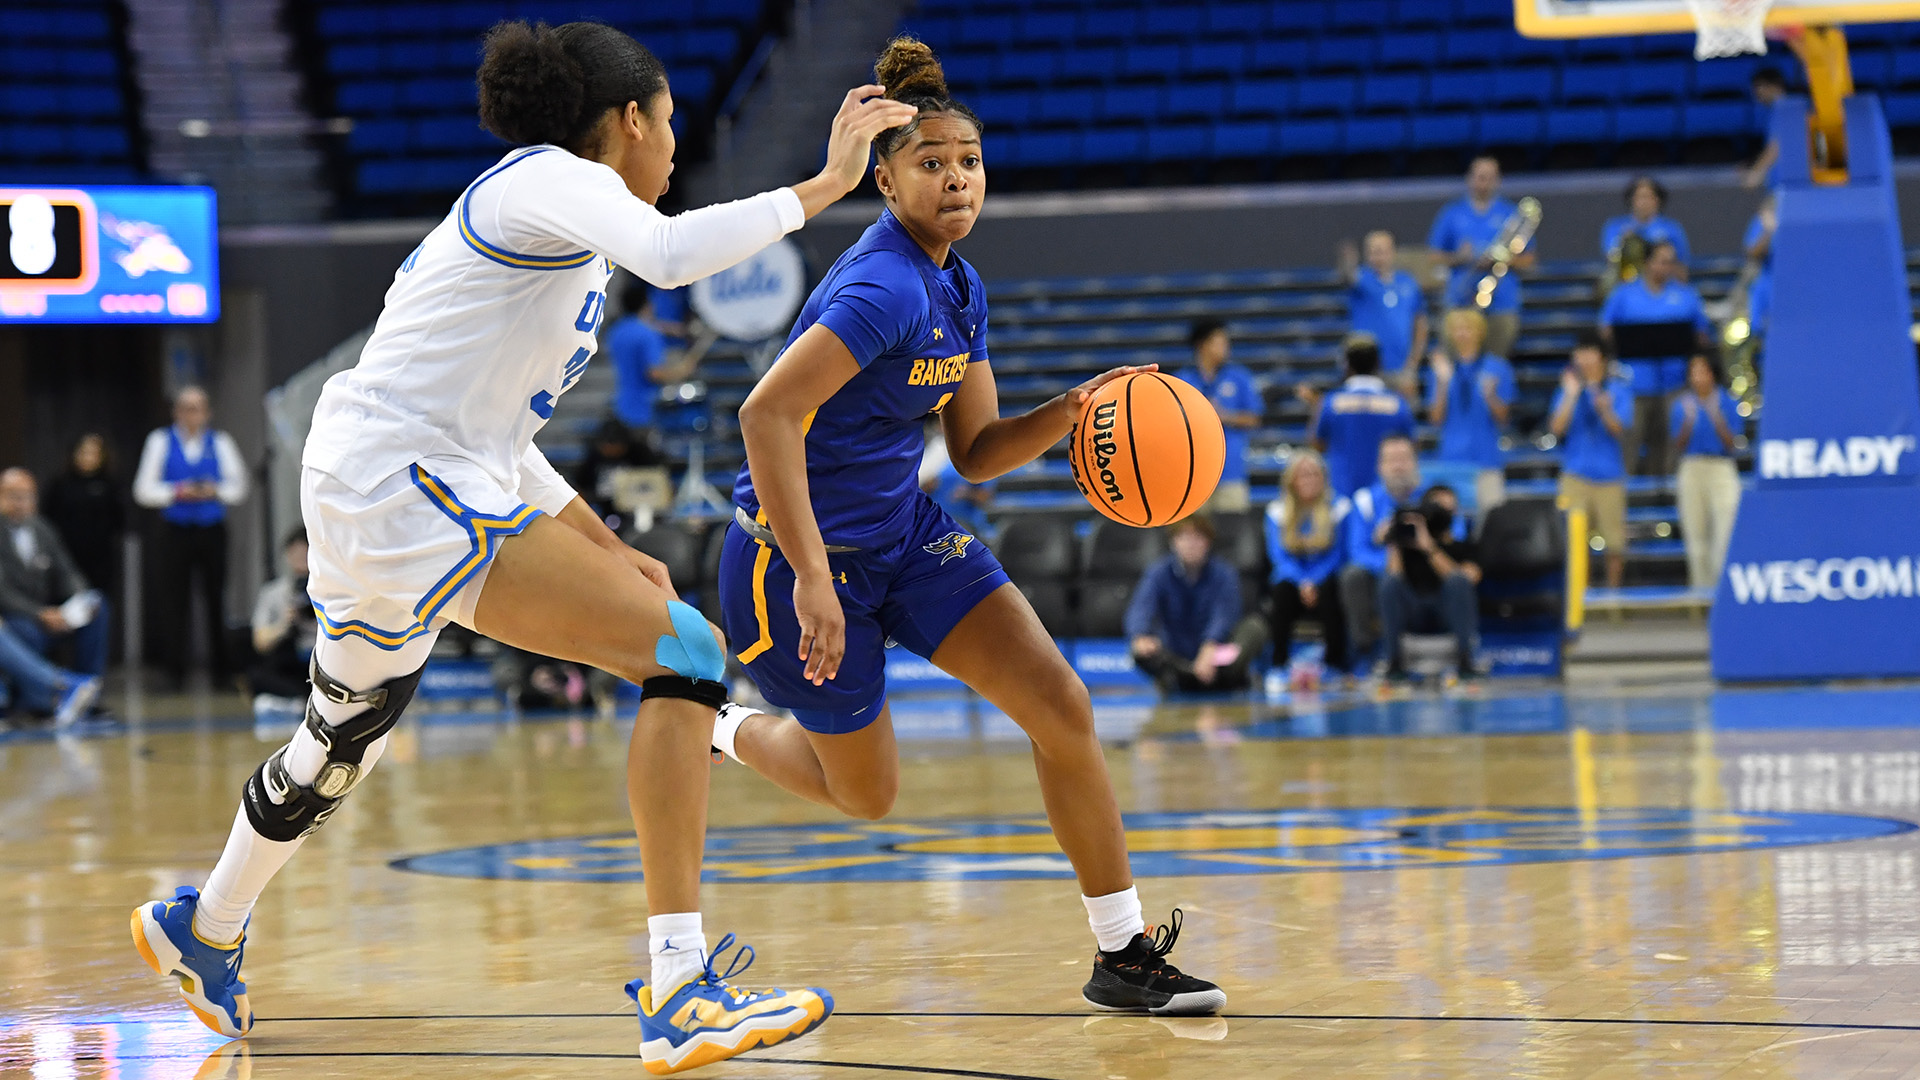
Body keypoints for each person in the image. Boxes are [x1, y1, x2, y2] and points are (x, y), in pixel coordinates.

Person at [130, 19, 920, 1075]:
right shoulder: (545, 179)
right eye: (672, 123)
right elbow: (679, 255)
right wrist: (827, 181)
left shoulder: (561, 231)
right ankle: (682, 990)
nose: (677, 147)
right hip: (400, 481)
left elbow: (506, 440)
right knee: (682, 649)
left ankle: (207, 927)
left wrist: (601, 542)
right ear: (627, 122)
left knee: (338, 741)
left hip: (386, 480)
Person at [711, 36, 1224, 1022]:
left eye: (969, 160)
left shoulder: (958, 285)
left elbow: (979, 448)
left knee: (1061, 706)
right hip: (790, 564)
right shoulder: (884, 288)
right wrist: (815, 579)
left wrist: (1072, 410)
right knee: (865, 796)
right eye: (930, 162)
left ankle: (1121, 955)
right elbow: (765, 417)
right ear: (887, 177)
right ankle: (718, 726)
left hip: (903, 536)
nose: (955, 178)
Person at [133, 386, 249, 687]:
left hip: (211, 530)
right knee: (174, 600)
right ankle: (174, 672)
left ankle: (222, 672)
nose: (191, 414)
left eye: (198, 407)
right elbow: (143, 489)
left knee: (215, 597)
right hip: (174, 531)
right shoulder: (159, 441)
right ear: (176, 412)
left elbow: (239, 487)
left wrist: (214, 490)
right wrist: (177, 492)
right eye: (186, 407)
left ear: (207, 412)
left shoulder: (220, 442)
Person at [1597, 241, 1712, 476]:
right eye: (1661, 261)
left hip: (1674, 384)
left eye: (1671, 262)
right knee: (1629, 441)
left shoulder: (1685, 295)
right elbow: (1604, 329)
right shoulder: (1624, 294)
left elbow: (1702, 335)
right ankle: (1625, 492)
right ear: (1647, 263)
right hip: (1633, 385)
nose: (1666, 267)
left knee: (1670, 444)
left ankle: (1667, 495)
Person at [0, 468, 104, 723]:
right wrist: (40, 614)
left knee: (97, 605)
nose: (20, 503)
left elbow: (67, 571)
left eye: (27, 496)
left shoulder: (43, 529)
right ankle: (58, 689)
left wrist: (78, 598)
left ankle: (85, 693)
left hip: (45, 612)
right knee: (21, 630)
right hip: (19, 615)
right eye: (13, 495)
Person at [1126, 514, 1268, 695]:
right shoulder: (1158, 573)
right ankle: (1179, 679)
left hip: (1215, 654)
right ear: (1173, 542)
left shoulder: (1224, 574)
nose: (1190, 544)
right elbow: (1141, 607)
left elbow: (1225, 615)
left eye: (1197, 538)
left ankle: (1223, 679)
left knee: (1254, 628)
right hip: (1178, 654)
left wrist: (1210, 645)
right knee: (1140, 650)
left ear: (1208, 542)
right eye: (1183, 537)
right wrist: (1140, 634)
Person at [1338, 434, 1433, 668]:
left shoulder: (1433, 499)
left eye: (1404, 458)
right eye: (1392, 460)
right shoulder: (1365, 501)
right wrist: (1385, 553)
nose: (1399, 466)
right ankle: (1364, 652)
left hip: (1425, 575)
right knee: (1353, 576)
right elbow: (1356, 551)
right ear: (1380, 466)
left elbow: (1455, 538)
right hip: (1380, 580)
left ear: (1416, 463)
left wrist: (1424, 544)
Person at [1548, 335, 1633, 590]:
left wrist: (1605, 408)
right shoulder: (1567, 389)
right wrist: (1571, 396)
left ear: (1602, 358)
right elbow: (1556, 428)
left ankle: (1613, 597)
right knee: (1573, 542)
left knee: (1615, 544)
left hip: (1609, 476)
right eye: (1580, 353)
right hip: (1575, 474)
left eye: (1589, 352)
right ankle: (1577, 599)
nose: (1583, 359)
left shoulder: (1618, 389)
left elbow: (1619, 429)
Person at [1429, 155, 1533, 359]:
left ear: (1498, 180)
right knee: (1457, 363)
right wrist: (1460, 257)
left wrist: (1501, 259)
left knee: (1494, 365)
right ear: (1470, 179)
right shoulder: (1453, 213)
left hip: (1501, 303)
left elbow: (1529, 259)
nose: (1483, 183)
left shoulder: (1510, 213)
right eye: (1479, 177)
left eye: (1489, 177)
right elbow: (1433, 256)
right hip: (1460, 301)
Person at [1380, 484, 1480, 681]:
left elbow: (1470, 578)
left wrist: (1430, 549)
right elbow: (1393, 575)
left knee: (1457, 579)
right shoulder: (1407, 548)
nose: (1441, 515)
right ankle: (1394, 663)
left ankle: (1465, 661)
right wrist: (1396, 540)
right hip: (1413, 611)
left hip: (1446, 612)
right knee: (1389, 583)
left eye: (1447, 510)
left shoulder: (1463, 546)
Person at [1263, 450, 1350, 676]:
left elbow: (1339, 555)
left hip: (1326, 577)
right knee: (1281, 590)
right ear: (1292, 480)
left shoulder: (1339, 508)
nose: (1309, 480)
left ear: (1324, 478)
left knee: (1333, 589)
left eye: (1314, 474)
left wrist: (1314, 581)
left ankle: (1334, 664)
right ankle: (1279, 663)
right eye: (1303, 475)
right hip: (1293, 581)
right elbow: (1279, 556)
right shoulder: (1277, 511)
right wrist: (1302, 582)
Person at [1428, 308, 1515, 514]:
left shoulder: (1498, 367)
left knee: (1492, 522)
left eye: (1467, 329)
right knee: (1451, 522)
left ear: (1479, 332)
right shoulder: (1443, 369)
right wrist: (1442, 383)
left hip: (1486, 460)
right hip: (1451, 460)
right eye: (1457, 329)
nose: (1462, 334)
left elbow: (1504, 419)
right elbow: (1435, 419)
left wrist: (1491, 396)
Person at [1670, 353, 1745, 592]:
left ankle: (1722, 594)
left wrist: (1715, 414)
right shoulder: (1681, 405)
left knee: (1725, 533)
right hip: (1692, 467)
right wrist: (1689, 421)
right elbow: (1678, 445)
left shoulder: (1728, 401)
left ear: (1713, 373)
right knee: (1696, 538)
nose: (1699, 377)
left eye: (1703, 371)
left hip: (1721, 467)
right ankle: (1700, 594)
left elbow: (1732, 443)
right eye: (1694, 372)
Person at [1310, 334, 1414, 497]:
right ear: (1378, 364)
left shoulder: (1330, 403)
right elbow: (1410, 449)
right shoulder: (1397, 404)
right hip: (1384, 496)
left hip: (1341, 493)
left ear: (1347, 365)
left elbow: (1316, 446)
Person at [1177, 317, 1260, 513]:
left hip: (1230, 471)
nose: (1226, 347)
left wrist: (1223, 416)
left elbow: (1254, 418)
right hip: (1193, 473)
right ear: (1202, 345)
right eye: (1219, 342)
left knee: (1233, 532)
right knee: (1193, 534)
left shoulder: (1239, 377)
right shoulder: (1182, 380)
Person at [605, 280, 696, 447]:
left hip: (621, 403)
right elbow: (654, 373)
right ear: (646, 304)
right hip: (645, 407)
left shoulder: (616, 331)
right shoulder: (648, 334)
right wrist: (681, 371)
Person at [1341, 230, 1427, 393]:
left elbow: (1421, 325)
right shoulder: (1362, 280)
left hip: (1400, 370)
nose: (1378, 257)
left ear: (1392, 252)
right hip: (1367, 373)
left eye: (1382, 251)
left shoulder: (1408, 282)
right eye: (1373, 251)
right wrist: (1347, 261)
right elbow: (1348, 276)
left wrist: (1412, 366)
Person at [44, 433, 126, 601]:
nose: (88, 458)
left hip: (100, 561)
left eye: (94, 453)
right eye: (84, 452)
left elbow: (119, 521)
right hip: (65, 556)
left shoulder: (110, 486)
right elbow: (47, 519)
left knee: (97, 604)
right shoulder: (60, 484)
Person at [248, 528, 316, 712]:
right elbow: (260, 642)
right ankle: (299, 700)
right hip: (290, 658)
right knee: (258, 675)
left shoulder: (329, 591)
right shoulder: (274, 592)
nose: (301, 558)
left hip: (321, 658)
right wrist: (285, 624)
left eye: (306, 552)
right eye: (295, 553)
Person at [1600, 176, 1690, 286]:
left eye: (1648, 197)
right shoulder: (1615, 226)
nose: (1644, 202)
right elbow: (1612, 259)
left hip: (1663, 286)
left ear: (1657, 200)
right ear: (1632, 199)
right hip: (1626, 285)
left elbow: (1682, 267)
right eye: (1640, 197)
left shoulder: (1672, 228)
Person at [1742, 66, 1789, 190]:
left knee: (1767, 209)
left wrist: (1756, 172)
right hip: (1780, 184)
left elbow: (1776, 146)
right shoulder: (1775, 110)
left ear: (1773, 86)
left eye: (1759, 86)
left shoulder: (1784, 110)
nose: (1755, 92)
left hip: (1786, 184)